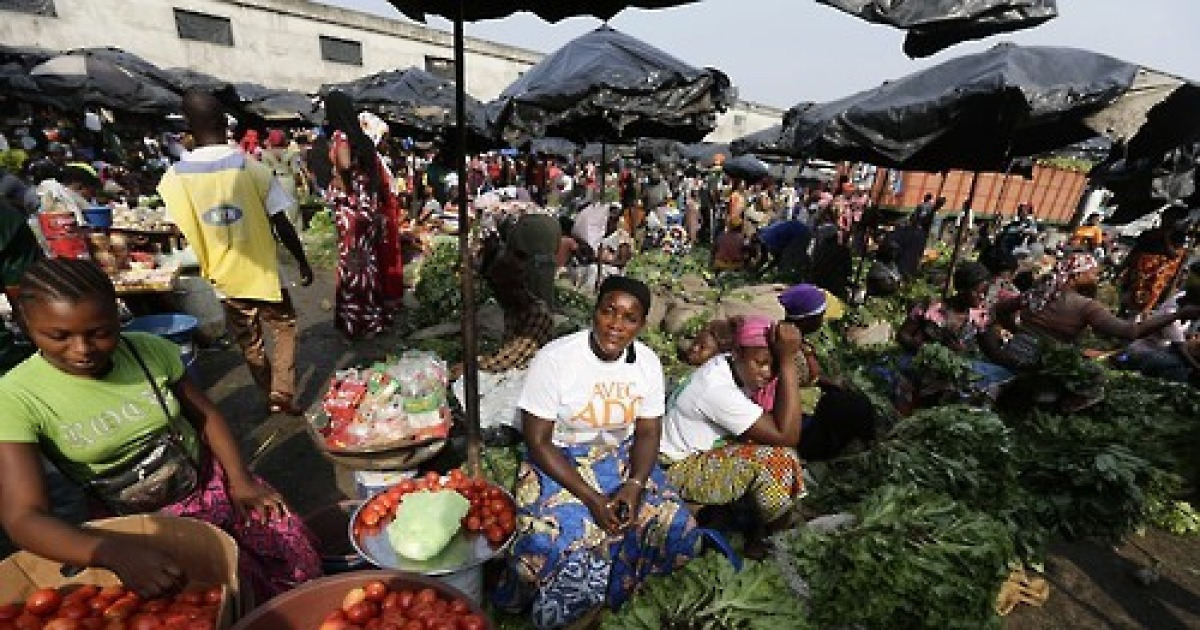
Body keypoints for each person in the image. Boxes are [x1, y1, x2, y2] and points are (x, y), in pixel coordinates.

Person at [0, 259, 321, 601]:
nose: (82, 349)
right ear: (27, 324)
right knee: (221, 592)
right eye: (58, 336)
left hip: (207, 484)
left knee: (291, 551)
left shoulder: (148, 351)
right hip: (140, 523)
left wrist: (240, 480)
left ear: (117, 317)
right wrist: (113, 553)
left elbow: (206, 415)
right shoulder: (16, 397)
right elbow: (23, 517)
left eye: (100, 332)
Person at [494, 276, 699, 628]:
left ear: (641, 325)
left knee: (675, 525)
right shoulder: (555, 359)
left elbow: (648, 431)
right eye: (609, 311)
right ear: (595, 311)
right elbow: (538, 440)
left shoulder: (647, 363)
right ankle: (544, 608)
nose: (616, 325)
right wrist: (592, 498)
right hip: (558, 458)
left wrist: (634, 485)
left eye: (630, 318)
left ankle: (625, 600)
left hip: (620, 456)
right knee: (554, 540)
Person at [158, 90, 313, 416]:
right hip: (263, 272)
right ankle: (282, 391)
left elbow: (176, 228)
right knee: (284, 327)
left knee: (249, 339)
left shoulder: (175, 179)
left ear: (188, 128)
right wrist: (302, 261)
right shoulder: (252, 168)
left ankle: (267, 391)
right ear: (224, 123)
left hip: (223, 277)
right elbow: (282, 223)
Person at [660, 316, 805, 558]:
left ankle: (758, 529)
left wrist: (785, 360)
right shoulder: (716, 389)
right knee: (779, 461)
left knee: (768, 448)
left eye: (774, 367)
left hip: (698, 455)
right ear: (738, 353)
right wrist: (787, 361)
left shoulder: (729, 365)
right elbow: (787, 435)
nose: (767, 373)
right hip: (674, 469)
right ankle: (774, 542)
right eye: (760, 363)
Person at [993, 253, 1200, 367]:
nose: (1095, 278)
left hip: (1013, 353)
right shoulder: (1085, 306)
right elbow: (1131, 331)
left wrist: (1019, 331)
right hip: (1042, 364)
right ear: (1076, 276)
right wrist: (1178, 315)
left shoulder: (1039, 292)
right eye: (1091, 274)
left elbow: (1001, 309)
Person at [322, 90, 392, 339]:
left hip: (350, 210)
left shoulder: (341, 136)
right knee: (367, 264)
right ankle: (372, 318)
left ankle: (355, 322)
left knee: (352, 265)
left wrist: (338, 174)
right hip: (365, 209)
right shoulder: (362, 139)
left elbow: (344, 163)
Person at [1119, 206, 1190, 316]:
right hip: (1138, 270)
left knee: (1144, 299)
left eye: (1172, 217)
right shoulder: (1150, 233)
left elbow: (1175, 255)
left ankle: (1137, 318)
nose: (1168, 220)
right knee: (1128, 294)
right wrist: (1123, 265)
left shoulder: (1178, 237)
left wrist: (1166, 238)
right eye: (1166, 216)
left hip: (1156, 275)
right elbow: (1136, 250)